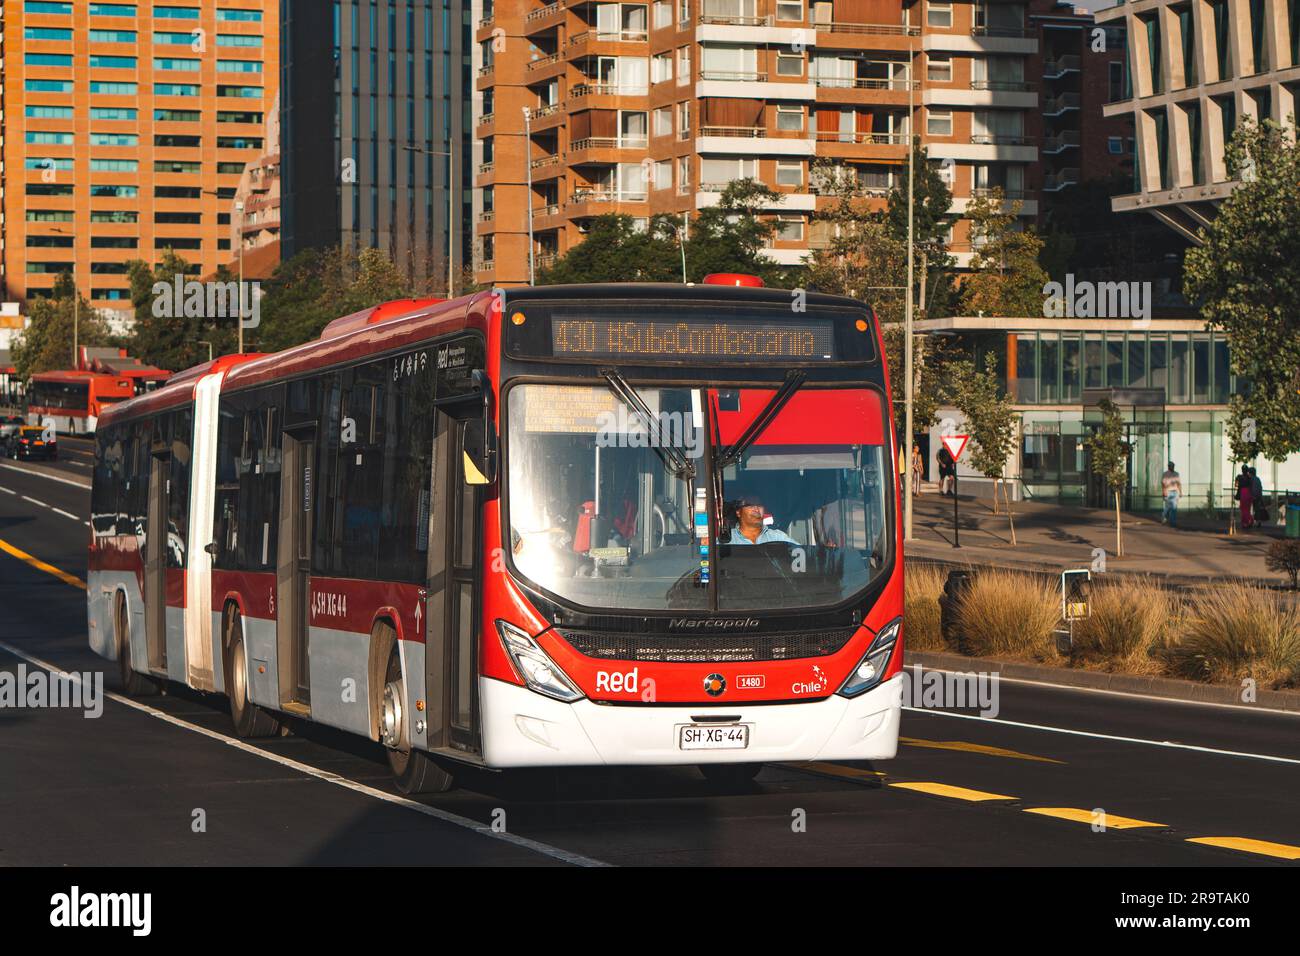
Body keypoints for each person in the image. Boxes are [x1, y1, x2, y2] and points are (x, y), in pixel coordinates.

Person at [725, 492, 798, 545]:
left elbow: (801, 554)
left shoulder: (778, 537)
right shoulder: (726, 540)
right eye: (750, 505)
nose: (756, 509)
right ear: (738, 512)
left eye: (759, 505)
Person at [1160, 461, 1182, 527]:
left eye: (1173, 466)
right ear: (1168, 467)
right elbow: (1163, 484)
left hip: (1175, 492)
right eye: (1171, 466)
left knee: (1174, 507)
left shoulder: (1176, 474)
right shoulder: (1165, 474)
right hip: (1168, 491)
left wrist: (1180, 492)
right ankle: (1163, 516)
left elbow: (1178, 484)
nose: (1172, 467)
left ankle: (1173, 522)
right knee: (1168, 507)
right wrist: (1164, 491)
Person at [1235, 465, 1253, 529]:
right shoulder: (1249, 477)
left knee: (1243, 509)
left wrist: (1238, 483)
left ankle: (1245, 522)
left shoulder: (1239, 477)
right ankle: (1249, 520)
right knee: (1247, 509)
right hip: (1248, 493)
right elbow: (1251, 486)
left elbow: (1236, 485)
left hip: (1243, 493)